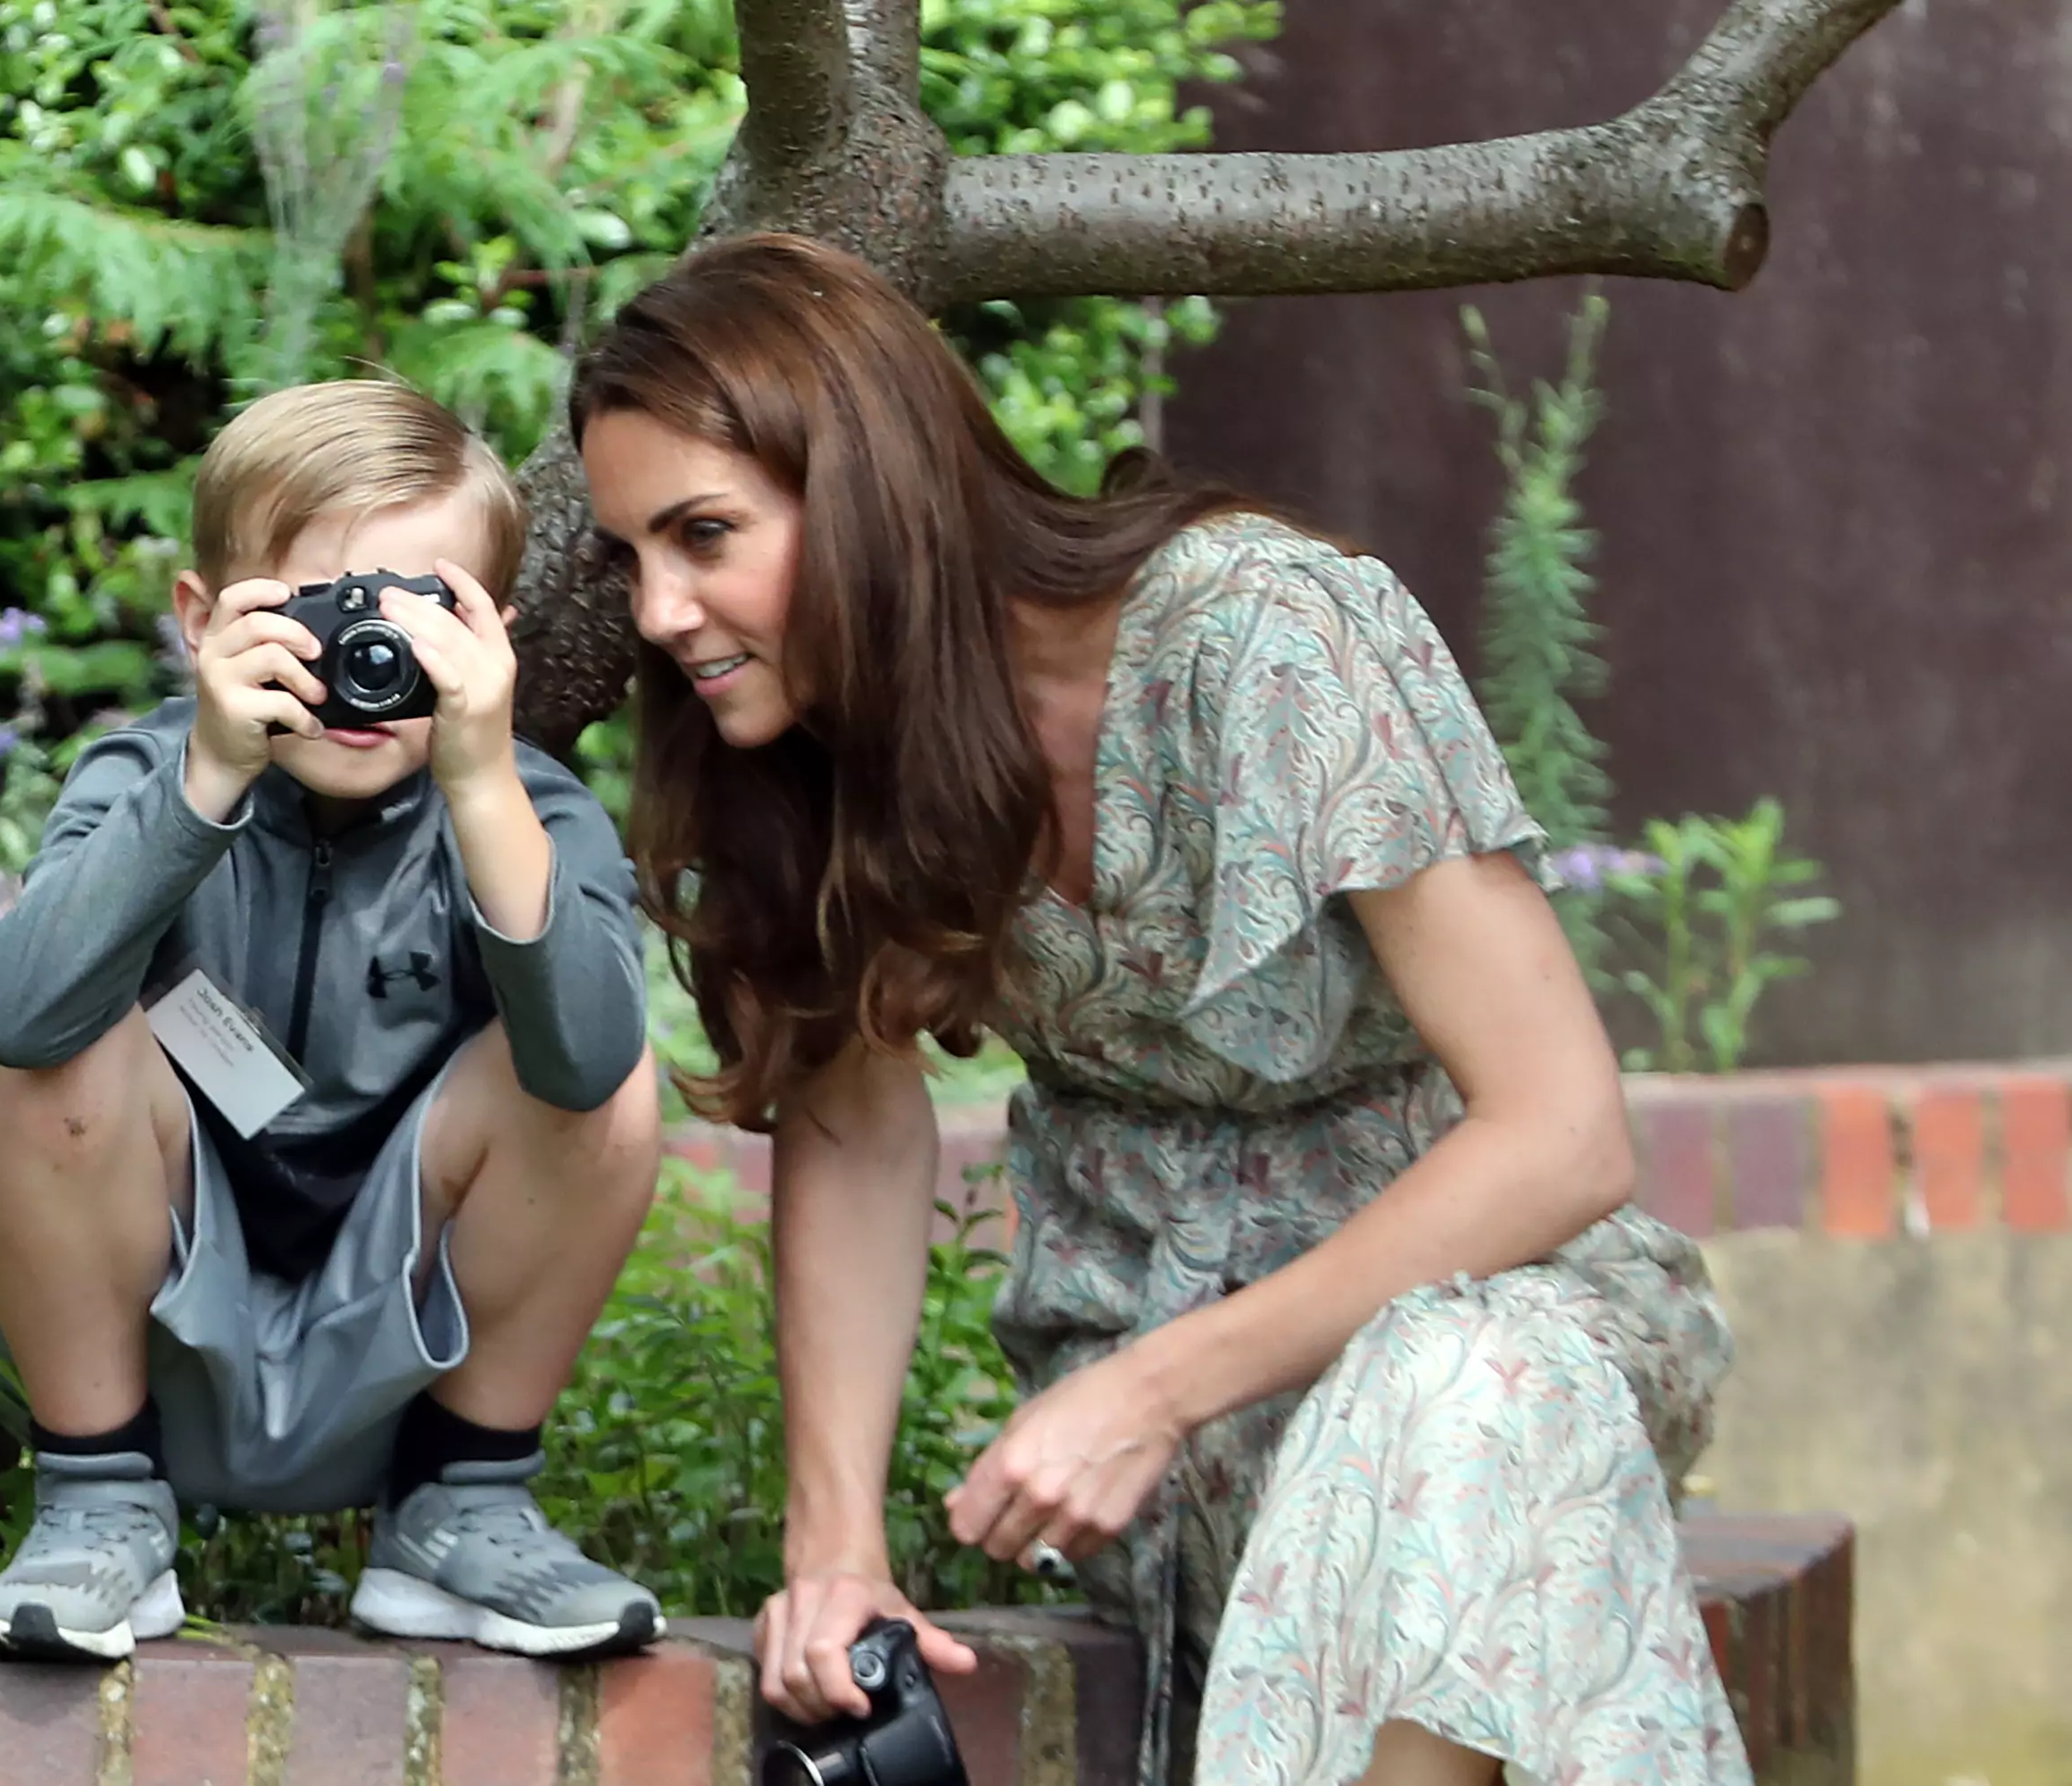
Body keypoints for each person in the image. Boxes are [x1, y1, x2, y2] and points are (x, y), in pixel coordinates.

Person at [570, 233, 1746, 1786]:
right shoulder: (807, 761)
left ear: (862, 487)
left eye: (703, 535)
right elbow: (852, 1128)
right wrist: (835, 1543)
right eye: (629, 557)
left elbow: (1565, 1136)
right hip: (1157, 1400)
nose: (659, 610)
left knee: (1472, 1401)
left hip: (1485, 1315)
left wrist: (1157, 1389)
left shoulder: (1263, 636)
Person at [0, 379, 667, 1665]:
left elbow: (586, 1065)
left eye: (418, 616)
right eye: (320, 610)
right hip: (143, 1332)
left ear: (493, 635)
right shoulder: (143, 773)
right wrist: (210, 775)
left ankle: (466, 1507)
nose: (362, 661)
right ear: (202, 621)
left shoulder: (530, 811)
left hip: (404, 1346)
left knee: (611, 1082)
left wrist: (484, 782)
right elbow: (16, 1016)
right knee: (60, 1046)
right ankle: (98, 1506)